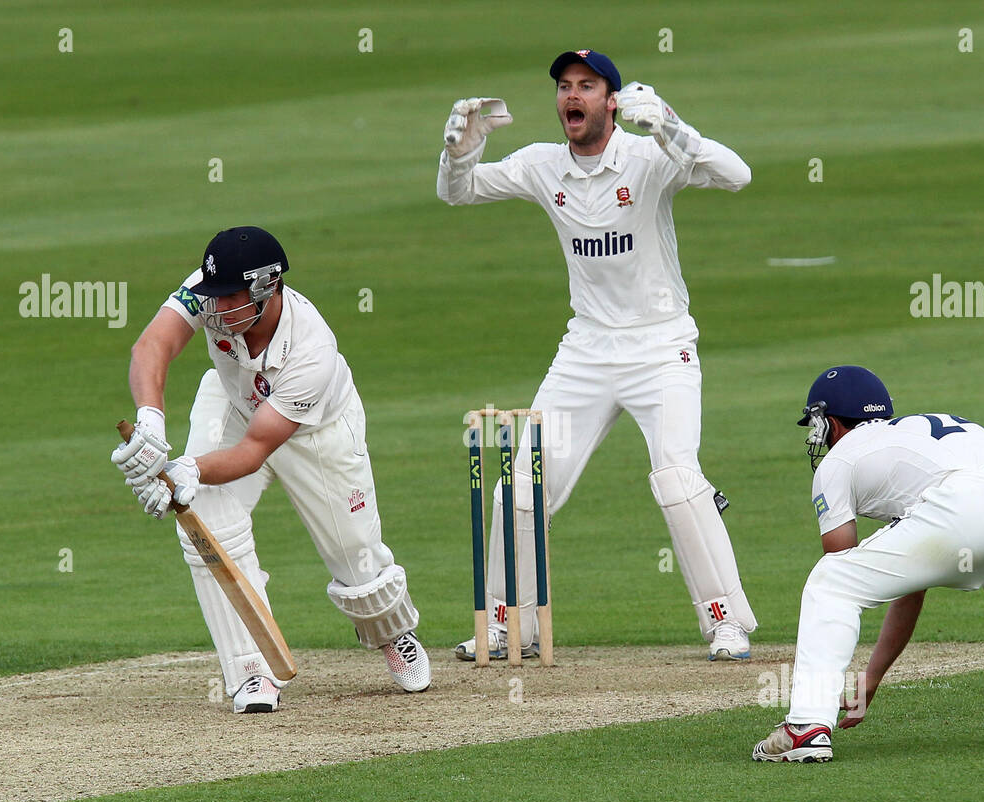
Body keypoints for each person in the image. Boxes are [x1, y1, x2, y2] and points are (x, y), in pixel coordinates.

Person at [437, 49, 759, 662]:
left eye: (586, 86)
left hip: (661, 346)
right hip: (585, 349)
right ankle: (510, 622)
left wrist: (668, 122)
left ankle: (725, 621)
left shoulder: (648, 157)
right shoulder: (542, 165)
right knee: (521, 483)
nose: (571, 96)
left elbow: (736, 174)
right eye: (563, 86)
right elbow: (459, 193)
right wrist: (460, 150)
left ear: (612, 101)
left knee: (677, 478)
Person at [111, 226, 430, 713]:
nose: (214, 310)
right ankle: (251, 671)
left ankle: (392, 631)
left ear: (265, 289)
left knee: (356, 557)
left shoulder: (312, 350)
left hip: (315, 431)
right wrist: (151, 420)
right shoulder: (211, 290)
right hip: (234, 406)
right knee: (205, 527)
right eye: (210, 298)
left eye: (228, 299)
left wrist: (187, 469)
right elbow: (151, 347)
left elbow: (257, 450)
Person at [752, 365, 984, 762]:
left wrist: (868, 676)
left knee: (831, 582)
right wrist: (872, 676)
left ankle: (806, 726)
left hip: (968, 504)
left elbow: (846, 565)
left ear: (831, 422)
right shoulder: (913, 432)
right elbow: (910, 577)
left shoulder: (841, 459)